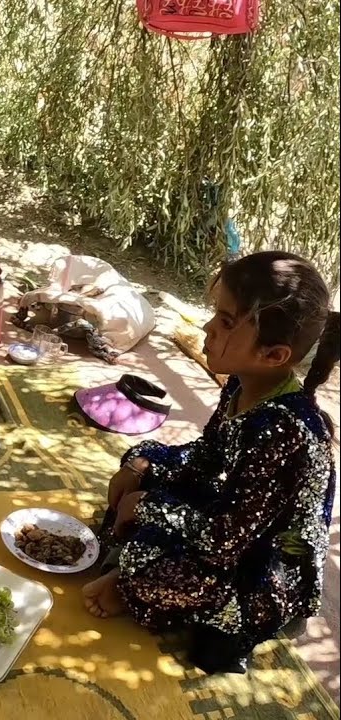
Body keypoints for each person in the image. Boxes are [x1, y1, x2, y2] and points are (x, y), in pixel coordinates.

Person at [82, 250, 339, 674]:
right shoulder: (240, 386)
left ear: (273, 355)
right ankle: (132, 563)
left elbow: (226, 540)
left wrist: (148, 508)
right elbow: (206, 459)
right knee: (142, 463)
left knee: (157, 570)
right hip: (234, 516)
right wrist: (143, 467)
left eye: (224, 322)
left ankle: (131, 587)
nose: (206, 328)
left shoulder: (284, 430)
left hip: (265, 562)